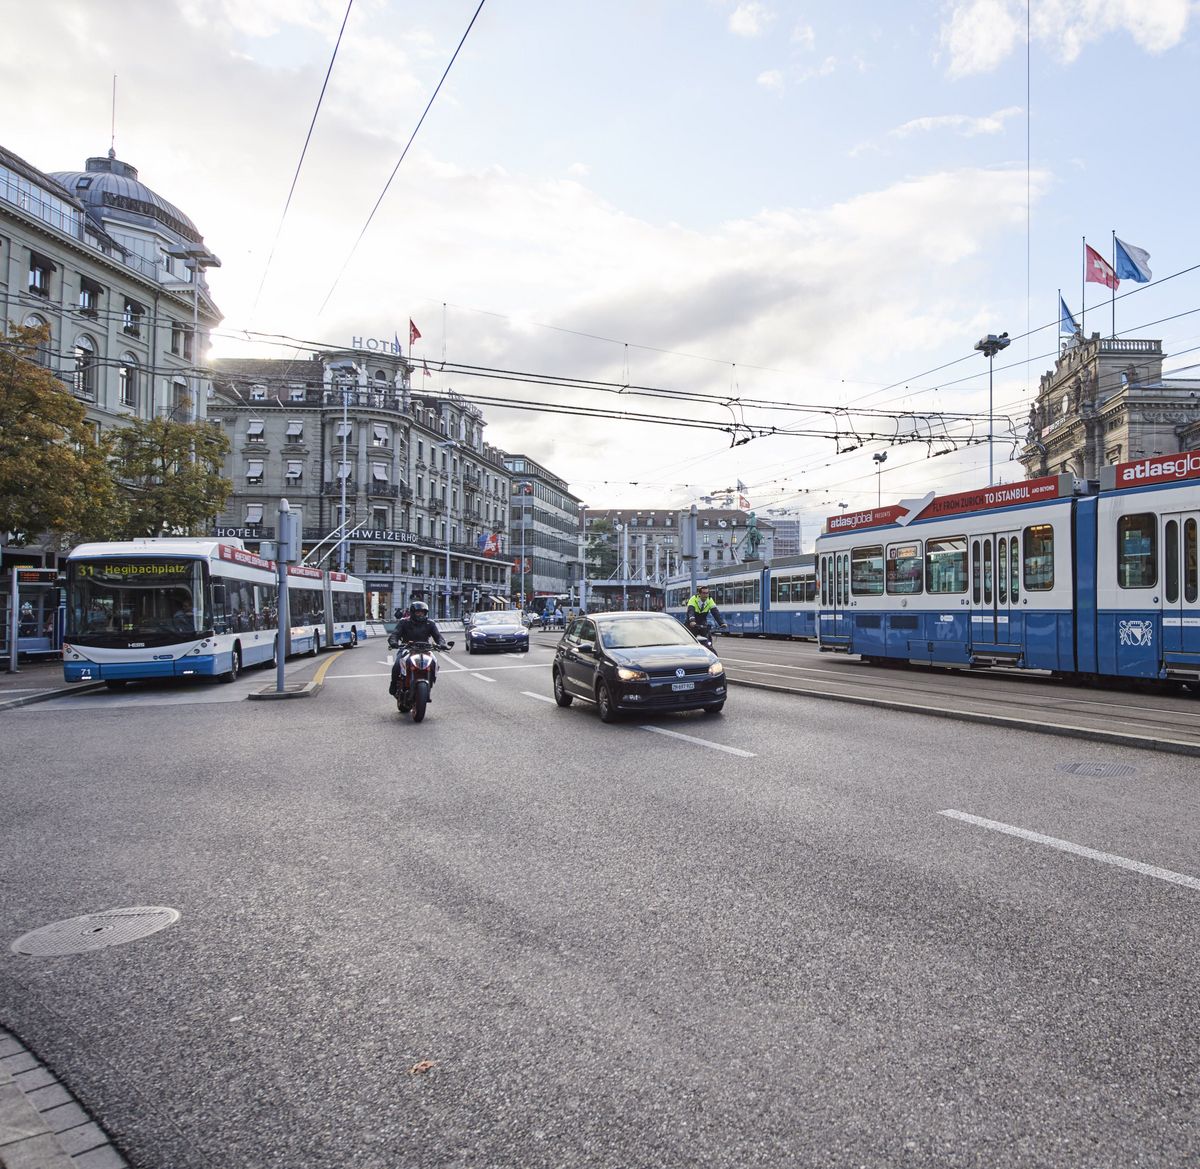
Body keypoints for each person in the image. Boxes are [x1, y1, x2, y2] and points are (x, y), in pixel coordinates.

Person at [388, 600, 449, 696]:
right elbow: (395, 634)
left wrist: (442, 644)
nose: (420, 614)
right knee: (397, 664)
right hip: (407, 648)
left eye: (422, 612)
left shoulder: (430, 623)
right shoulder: (404, 622)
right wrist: (393, 642)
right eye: (418, 612)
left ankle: (430, 683)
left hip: (425, 649)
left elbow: (438, 636)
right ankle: (393, 684)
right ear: (412, 612)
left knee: (434, 663)